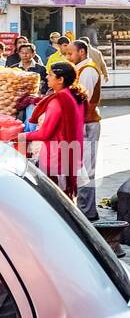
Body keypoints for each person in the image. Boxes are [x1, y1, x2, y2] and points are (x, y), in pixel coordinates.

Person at [21, 61, 87, 202]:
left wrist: (21, 135)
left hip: (56, 156)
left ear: (60, 79)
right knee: (66, 200)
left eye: (50, 75)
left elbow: (45, 133)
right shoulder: (76, 96)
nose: (47, 77)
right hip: (72, 152)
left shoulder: (57, 101)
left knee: (54, 200)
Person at [68, 39, 103, 220]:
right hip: (83, 123)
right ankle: (85, 209)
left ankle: (87, 212)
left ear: (81, 52)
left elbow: (83, 101)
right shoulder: (80, 69)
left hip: (87, 123)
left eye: (70, 53)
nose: (68, 57)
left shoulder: (88, 70)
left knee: (86, 170)